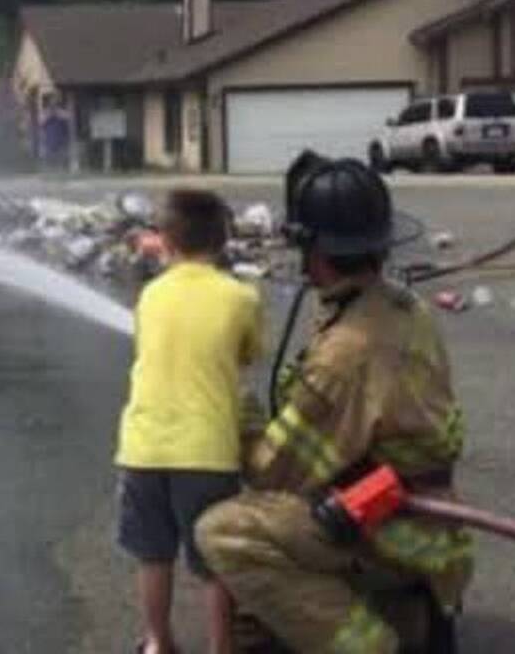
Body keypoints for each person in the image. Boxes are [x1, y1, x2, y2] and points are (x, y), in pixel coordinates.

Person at [196, 153, 473, 653]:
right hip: (430, 529)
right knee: (251, 615)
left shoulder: (348, 353)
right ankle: (403, 616)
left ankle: (370, 644)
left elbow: (274, 473)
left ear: (315, 252)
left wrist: (238, 409)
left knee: (225, 533)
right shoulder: (398, 305)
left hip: (394, 533)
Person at [116, 189, 263, 654]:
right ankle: (222, 647)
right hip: (207, 451)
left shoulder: (151, 295)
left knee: (153, 555)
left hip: (142, 447)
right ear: (223, 241)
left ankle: (159, 642)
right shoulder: (240, 297)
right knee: (214, 561)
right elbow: (249, 354)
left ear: (166, 241)